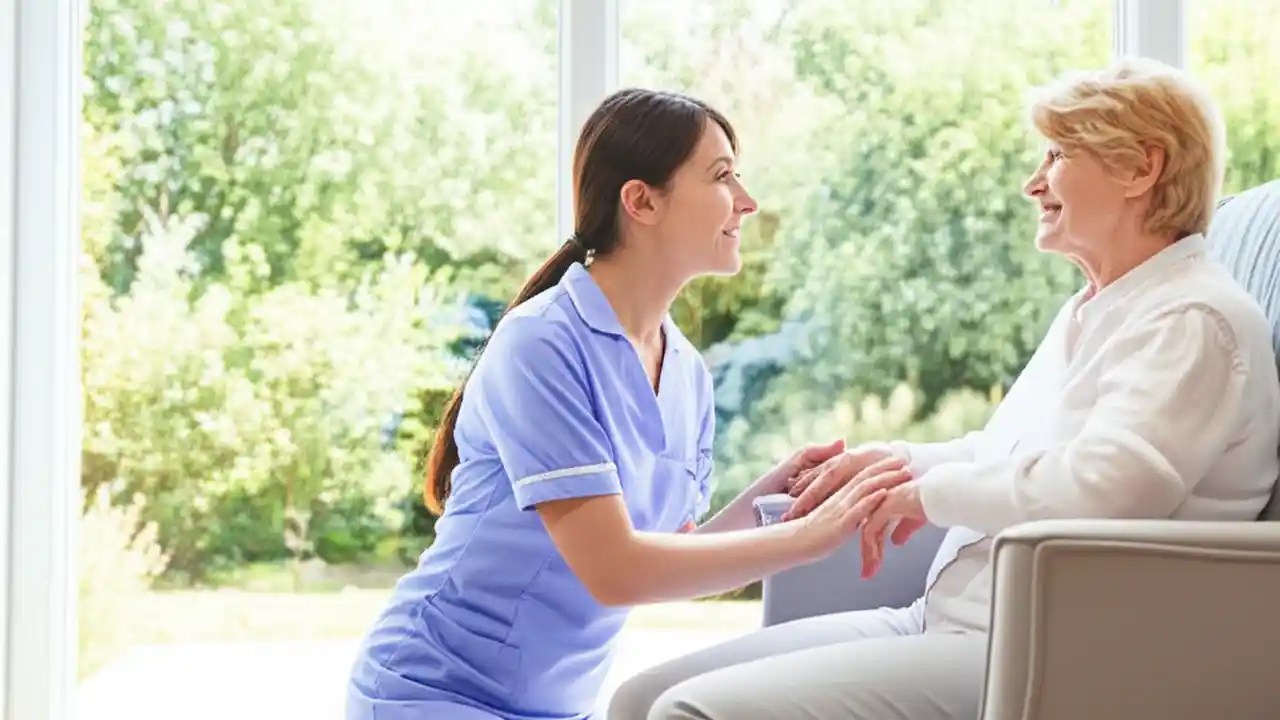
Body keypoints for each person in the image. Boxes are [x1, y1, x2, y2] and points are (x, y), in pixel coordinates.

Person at [611, 58, 1280, 720]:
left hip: (1053, 650)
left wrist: (923, 496)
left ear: (1142, 168)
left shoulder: (1192, 320)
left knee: (689, 713)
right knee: (637, 699)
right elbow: (1004, 452)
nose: (1032, 183)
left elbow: (1108, 488)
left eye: (1057, 155)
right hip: (949, 623)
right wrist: (895, 463)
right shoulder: (1100, 307)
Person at [345, 88, 903, 720]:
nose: (747, 201)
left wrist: (775, 499)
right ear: (641, 200)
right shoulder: (543, 340)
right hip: (430, 693)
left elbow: (671, 555)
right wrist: (806, 540)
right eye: (722, 176)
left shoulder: (686, 371)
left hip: (556, 709)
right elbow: (616, 571)